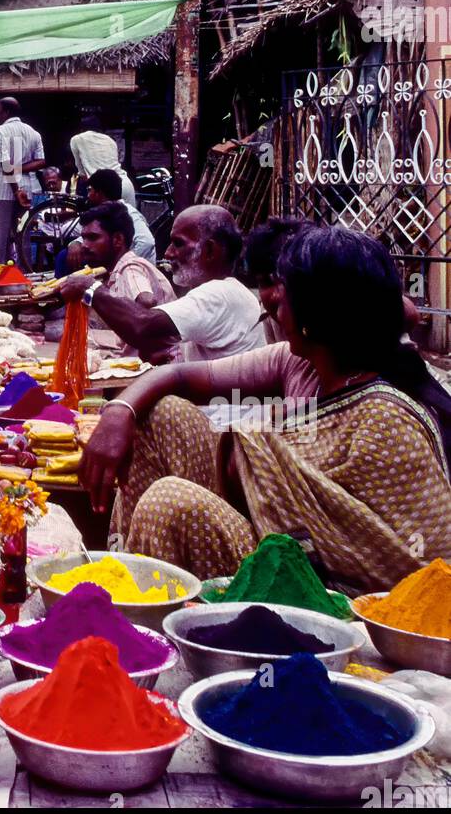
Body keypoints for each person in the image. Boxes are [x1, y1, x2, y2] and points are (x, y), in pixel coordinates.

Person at [81, 226, 451, 591]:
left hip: (323, 594)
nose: (271, 304)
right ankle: (130, 580)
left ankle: (152, 617)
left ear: (315, 315)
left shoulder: (386, 417)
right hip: (275, 539)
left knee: (171, 502)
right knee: (161, 413)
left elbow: (406, 569)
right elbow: (180, 377)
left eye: (284, 290)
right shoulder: (307, 361)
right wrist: (120, 411)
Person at [58, 204, 264, 365]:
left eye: (179, 243)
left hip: (221, 417)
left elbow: (143, 324)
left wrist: (90, 288)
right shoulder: (220, 292)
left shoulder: (219, 293)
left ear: (210, 251)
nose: (168, 253)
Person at [73, 202, 176, 358]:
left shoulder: (130, 268)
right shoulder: (113, 271)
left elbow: (146, 301)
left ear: (118, 240)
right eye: (84, 239)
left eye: (93, 238)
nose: (85, 246)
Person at [0, 96, 45, 266]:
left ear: (6, 112)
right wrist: (19, 170)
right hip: (26, 188)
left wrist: (15, 189)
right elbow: (41, 161)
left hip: (3, 190)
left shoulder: (0, 131)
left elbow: (5, 165)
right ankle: (24, 275)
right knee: (23, 233)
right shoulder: (33, 132)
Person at [86, 168, 157, 261]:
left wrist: (123, 264)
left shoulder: (128, 213)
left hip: (136, 272)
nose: (88, 195)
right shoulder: (105, 213)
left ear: (99, 193)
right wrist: (75, 243)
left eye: (90, 190)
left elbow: (147, 242)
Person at [70, 115, 135, 205]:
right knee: (132, 217)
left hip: (105, 189)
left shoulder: (76, 139)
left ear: (82, 129)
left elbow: (83, 175)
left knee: (100, 218)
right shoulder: (110, 140)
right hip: (125, 183)